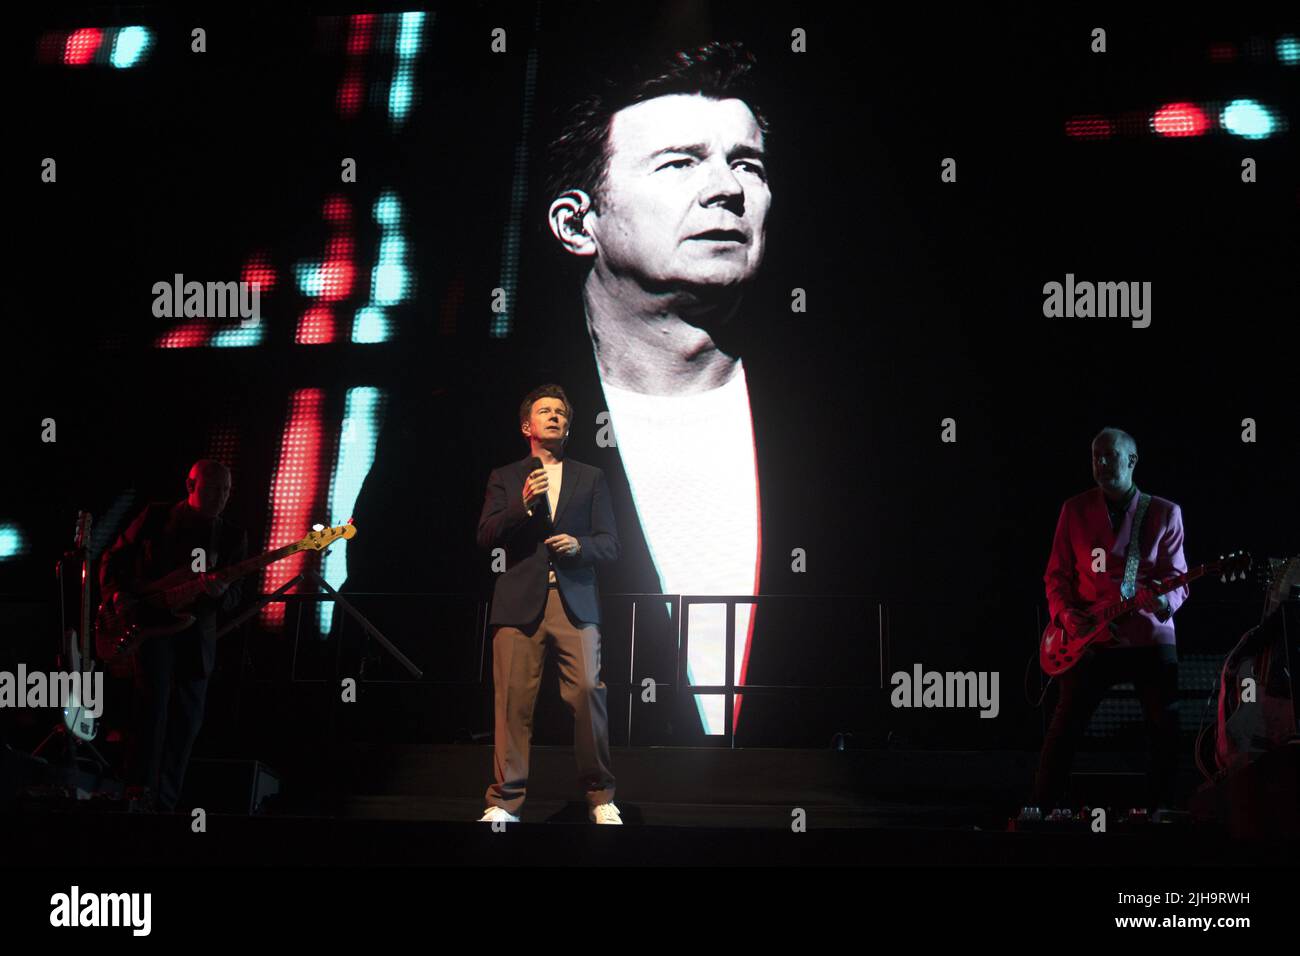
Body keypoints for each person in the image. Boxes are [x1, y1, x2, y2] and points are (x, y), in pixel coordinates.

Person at [541, 40, 774, 737]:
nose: (728, 188)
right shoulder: (456, 450)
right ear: (578, 224)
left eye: (747, 163)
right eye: (680, 163)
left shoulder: (859, 443)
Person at [476, 385, 622, 824]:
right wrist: (521, 506)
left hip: (574, 599)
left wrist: (580, 545)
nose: (555, 416)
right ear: (528, 426)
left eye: (561, 412)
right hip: (519, 604)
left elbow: (611, 545)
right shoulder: (505, 476)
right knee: (513, 703)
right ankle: (504, 802)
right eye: (546, 411)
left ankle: (600, 798)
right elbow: (485, 537)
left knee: (586, 694)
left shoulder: (590, 476)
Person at [1031, 427, 1188, 813]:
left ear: (1132, 460)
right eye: (1095, 456)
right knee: (1064, 725)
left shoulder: (1166, 512)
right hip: (1090, 637)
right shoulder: (1074, 509)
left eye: (1109, 455)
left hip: (1148, 636)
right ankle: (1042, 810)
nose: (1100, 463)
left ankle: (1164, 813)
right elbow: (1056, 576)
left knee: (1165, 725)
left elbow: (1178, 578)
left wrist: (1161, 601)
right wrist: (1066, 616)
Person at [99, 459, 248, 811]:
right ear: (191, 485)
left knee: (185, 726)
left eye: (226, 490)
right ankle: (136, 797)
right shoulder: (155, 517)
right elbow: (114, 559)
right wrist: (119, 596)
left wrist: (221, 593)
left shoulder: (231, 536)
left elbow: (237, 595)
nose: (221, 497)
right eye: (214, 488)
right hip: (150, 632)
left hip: (195, 642)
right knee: (150, 716)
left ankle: (165, 807)